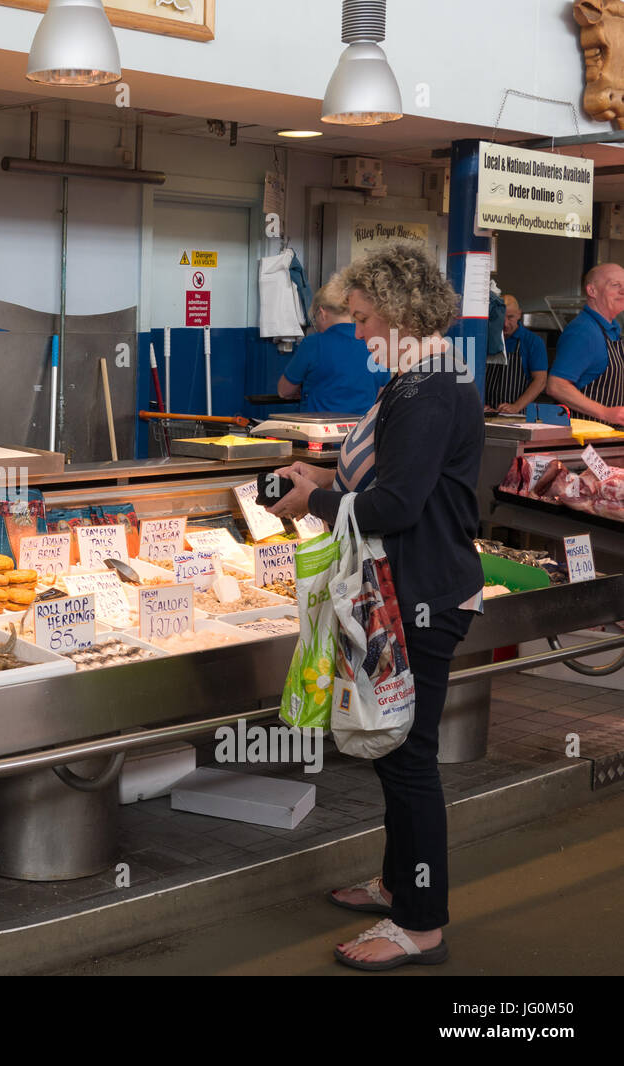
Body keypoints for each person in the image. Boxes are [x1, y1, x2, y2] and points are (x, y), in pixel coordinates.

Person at [266, 243, 484, 971]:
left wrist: (314, 499)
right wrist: (324, 471)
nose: (356, 333)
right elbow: (387, 472)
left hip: (420, 595)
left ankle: (421, 922)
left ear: (398, 314)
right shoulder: (417, 378)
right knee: (393, 750)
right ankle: (398, 880)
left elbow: (395, 504)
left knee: (407, 757)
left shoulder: (430, 389)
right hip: (403, 589)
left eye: (362, 319)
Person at [276, 281, 389, 415]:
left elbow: (284, 391)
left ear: (322, 313)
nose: (316, 324)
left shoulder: (314, 343)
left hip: (318, 431)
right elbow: (382, 395)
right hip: (361, 431)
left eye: (314, 318)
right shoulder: (377, 345)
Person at [545, 262, 624, 424]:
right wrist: (605, 412)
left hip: (608, 439)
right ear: (592, 291)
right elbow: (557, 385)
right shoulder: (584, 331)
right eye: (615, 285)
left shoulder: (613, 329)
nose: (623, 291)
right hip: (583, 440)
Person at [485, 294, 548, 413]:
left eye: (510, 317)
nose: (505, 324)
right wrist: (480, 404)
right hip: (488, 413)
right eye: (501, 317)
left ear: (519, 314)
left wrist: (516, 407)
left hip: (519, 417)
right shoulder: (487, 339)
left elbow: (540, 381)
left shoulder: (532, 342)